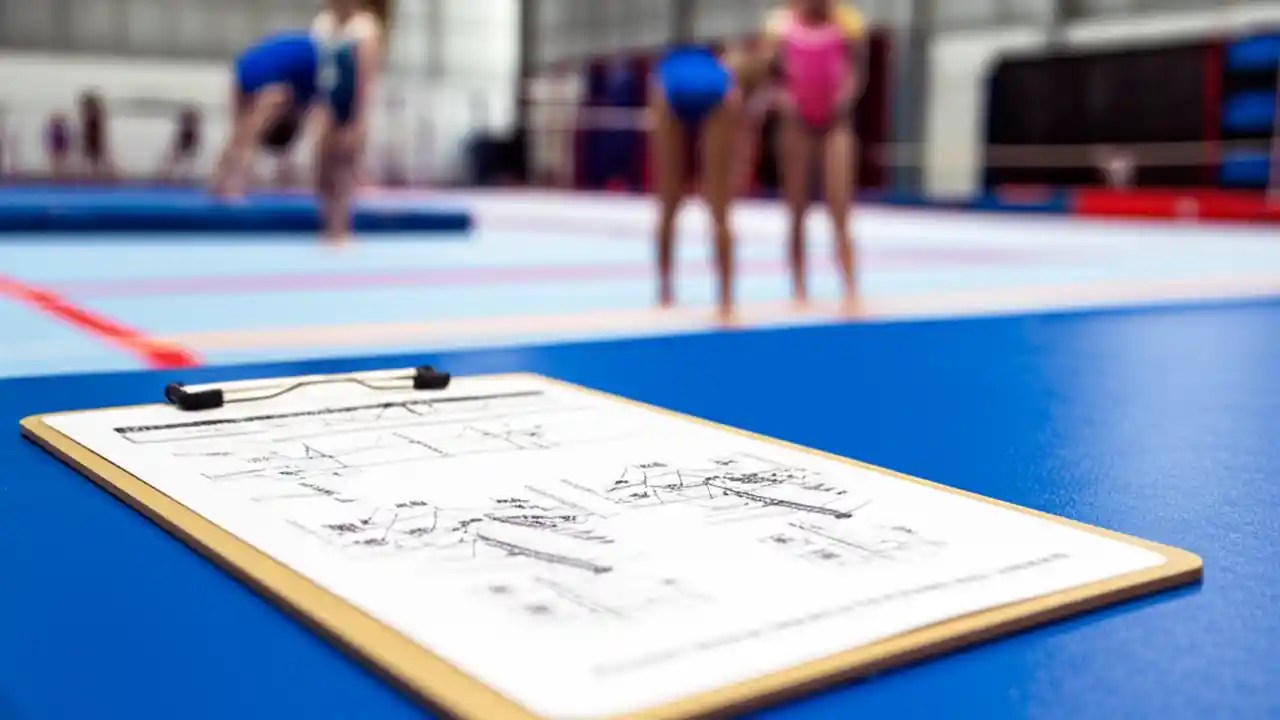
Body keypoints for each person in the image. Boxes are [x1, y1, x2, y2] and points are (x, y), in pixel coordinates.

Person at [764, 0, 867, 304]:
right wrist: (785, 100)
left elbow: (857, 71)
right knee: (796, 207)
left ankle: (849, 284)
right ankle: (798, 286)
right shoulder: (780, 25)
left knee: (840, 205)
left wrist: (845, 97)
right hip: (797, 121)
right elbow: (771, 75)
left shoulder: (848, 23)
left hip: (836, 122)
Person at [212, 32, 319, 199]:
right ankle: (228, 185)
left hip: (251, 64)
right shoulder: (285, 95)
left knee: (242, 134)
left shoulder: (299, 94)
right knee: (245, 136)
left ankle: (224, 183)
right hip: (256, 66)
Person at [311, 0, 383, 243]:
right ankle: (326, 224)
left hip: (350, 106)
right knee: (323, 168)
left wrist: (358, 120)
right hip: (327, 103)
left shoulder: (365, 27)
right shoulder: (322, 24)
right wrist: (319, 109)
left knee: (344, 167)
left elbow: (365, 80)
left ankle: (340, 228)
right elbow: (318, 72)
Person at [160, 105, 202, 183]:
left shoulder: (191, 127)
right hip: (185, 138)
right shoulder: (186, 126)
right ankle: (169, 174)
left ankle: (173, 174)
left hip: (188, 138)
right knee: (178, 158)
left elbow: (195, 140)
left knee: (183, 159)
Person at [78, 91, 114, 181]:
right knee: (92, 159)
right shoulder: (89, 118)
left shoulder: (96, 117)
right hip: (91, 139)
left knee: (96, 159)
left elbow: (101, 135)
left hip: (95, 138)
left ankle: (97, 174)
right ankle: (94, 174)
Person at [45, 113, 73, 181]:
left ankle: (60, 175)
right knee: (56, 163)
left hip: (59, 147)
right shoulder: (54, 129)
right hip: (56, 147)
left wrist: (65, 148)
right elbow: (50, 139)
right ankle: (56, 175)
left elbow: (65, 140)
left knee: (60, 163)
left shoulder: (62, 129)